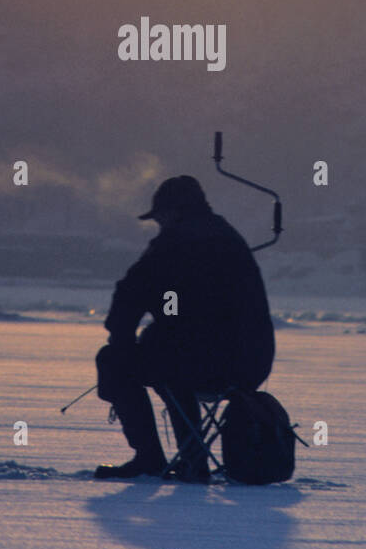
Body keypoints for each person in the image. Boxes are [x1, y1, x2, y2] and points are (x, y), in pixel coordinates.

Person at [94, 175, 275, 481]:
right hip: (252, 365)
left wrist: (121, 336)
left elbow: (133, 291)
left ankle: (151, 458)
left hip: (202, 363)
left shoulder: (175, 241)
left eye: (160, 217)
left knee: (115, 362)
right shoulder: (229, 236)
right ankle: (192, 459)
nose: (159, 224)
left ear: (174, 211)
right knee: (172, 365)